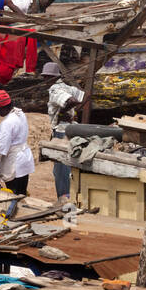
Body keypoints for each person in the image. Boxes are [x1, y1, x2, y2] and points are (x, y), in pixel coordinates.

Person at [0, 89, 34, 219]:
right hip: (23, 158)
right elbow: (15, 133)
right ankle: (21, 215)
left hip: (15, 160)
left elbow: (1, 148)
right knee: (21, 192)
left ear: (3, 107)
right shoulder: (19, 113)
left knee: (13, 194)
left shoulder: (7, 122)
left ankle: (13, 216)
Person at [46, 77, 86, 205]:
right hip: (70, 129)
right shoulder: (67, 87)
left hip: (61, 131)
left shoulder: (54, 89)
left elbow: (73, 100)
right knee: (67, 167)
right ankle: (69, 197)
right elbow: (81, 97)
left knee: (61, 169)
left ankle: (64, 200)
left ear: (48, 77)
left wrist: (62, 113)